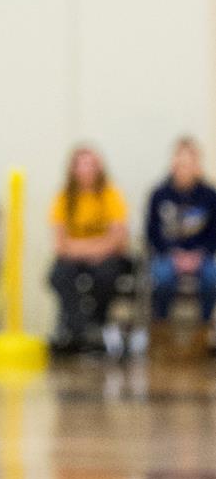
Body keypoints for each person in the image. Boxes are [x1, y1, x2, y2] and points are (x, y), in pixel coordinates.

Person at [47, 146, 131, 355]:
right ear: (73, 169)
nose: (87, 170)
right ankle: (76, 329)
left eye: (91, 165)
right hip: (75, 260)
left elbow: (118, 239)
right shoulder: (64, 198)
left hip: (105, 259)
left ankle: (98, 324)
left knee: (106, 275)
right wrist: (94, 248)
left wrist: (85, 248)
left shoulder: (111, 195)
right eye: (82, 165)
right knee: (59, 275)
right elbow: (60, 244)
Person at [145, 137, 216, 340]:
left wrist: (198, 255)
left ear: (197, 165)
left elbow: (213, 234)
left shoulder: (210, 195)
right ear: (173, 163)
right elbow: (152, 233)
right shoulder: (159, 194)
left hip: (202, 256)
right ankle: (161, 325)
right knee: (163, 278)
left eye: (189, 163)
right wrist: (172, 254)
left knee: (212, 278)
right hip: (167, 255)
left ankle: (204, 328)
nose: (184, 167)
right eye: (180, 162)